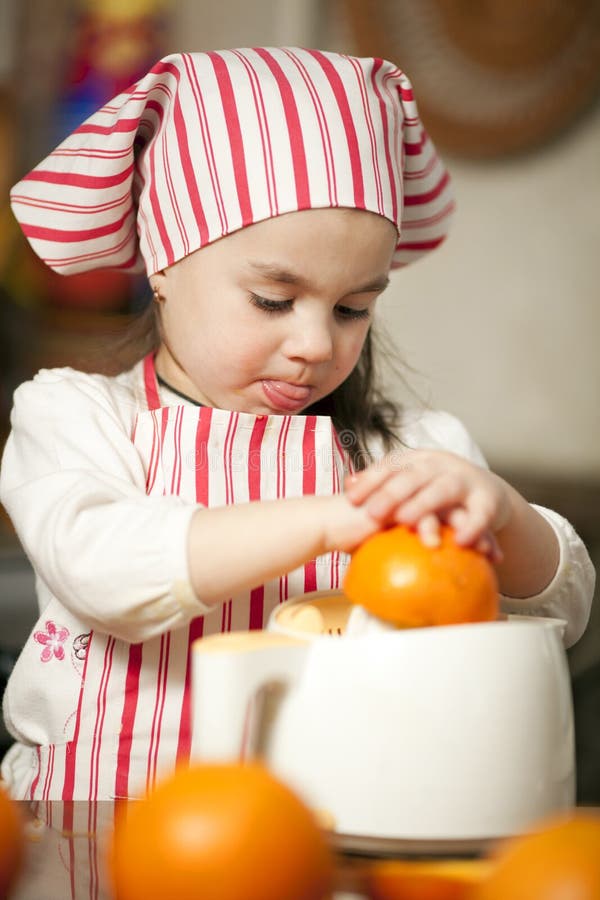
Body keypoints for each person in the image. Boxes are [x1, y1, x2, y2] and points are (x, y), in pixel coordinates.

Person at [0, 48, 594, 802]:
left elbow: (561, 611)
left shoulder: (409, 451)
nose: (318, 344)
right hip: (86, 832)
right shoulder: (74, 417)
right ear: (164, 262)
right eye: (274, 301)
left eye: (353, 308)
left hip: (328, 843)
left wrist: (503, 515)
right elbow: (103, 567)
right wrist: (337, 516)